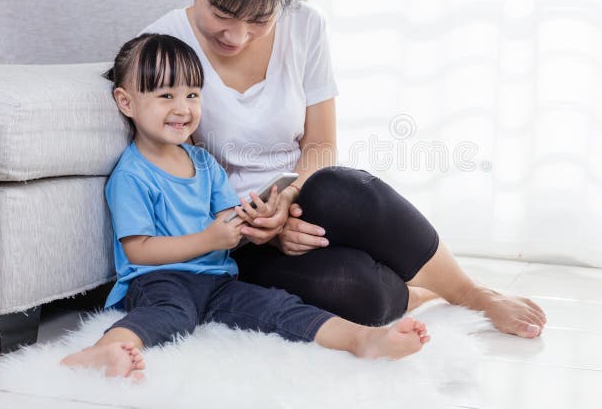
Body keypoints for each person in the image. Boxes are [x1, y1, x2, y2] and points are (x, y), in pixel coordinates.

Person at [142, 0, 547, 337]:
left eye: (260, 19)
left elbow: (319, 144)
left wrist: (291, 200)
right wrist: (266, 229)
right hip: (231, 236)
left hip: (305, 200)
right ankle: (420, 290)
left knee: (340, 188)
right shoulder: (162, 44)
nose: (237, 35)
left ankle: (471, 294)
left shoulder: (305, 25)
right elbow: (176, 175)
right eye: (221, 14)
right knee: (361, 292)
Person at [60, 34, 430, 379]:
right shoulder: (132, 175)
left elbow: (225, 221)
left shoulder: (204, 163)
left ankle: (362, 340)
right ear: (127, 102)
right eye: (166, 96)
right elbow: (138, 251)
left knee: (278, 306)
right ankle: (102, 350)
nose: (183, 108)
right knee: (168, 314)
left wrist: (248, 222)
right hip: (159, 280)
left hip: (218, 280)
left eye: (192, 95)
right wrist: (209, 239)